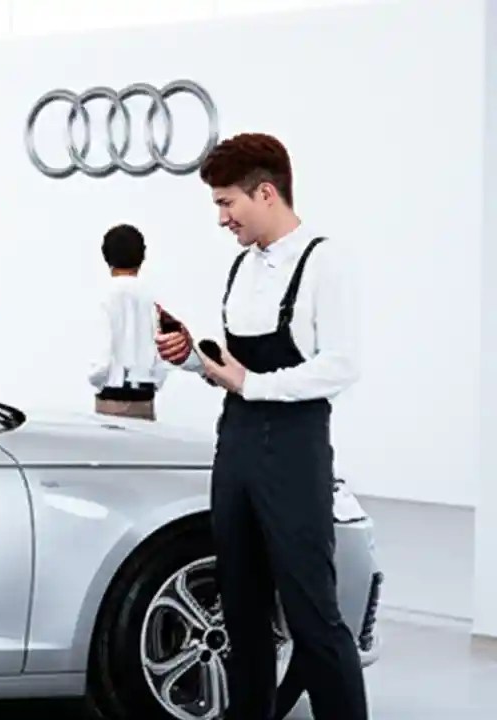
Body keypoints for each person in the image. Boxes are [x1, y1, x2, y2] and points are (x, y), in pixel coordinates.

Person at [154, 133, 367, 720]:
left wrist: (251, 383)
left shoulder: (326, 260)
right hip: (238, 441)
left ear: (265, 192)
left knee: (311, 613)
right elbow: (236, 371)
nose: (222, 218)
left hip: (295, 448)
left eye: (227, 204)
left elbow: (342, 366)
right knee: (241, 606)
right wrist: (196, 360)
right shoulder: (242, 266)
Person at [87, 223, 169, 421]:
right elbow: (163, 348)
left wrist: (97, 379)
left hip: (112, 394)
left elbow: (103, 350)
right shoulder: (151, 297)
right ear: (142, 255)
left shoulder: (106, 296)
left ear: (106, 256)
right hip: (145, 396)